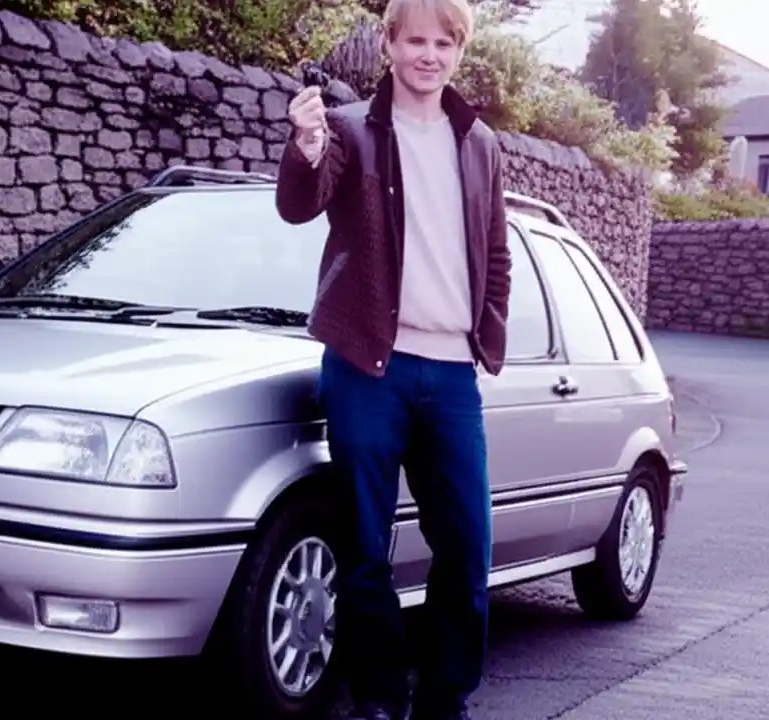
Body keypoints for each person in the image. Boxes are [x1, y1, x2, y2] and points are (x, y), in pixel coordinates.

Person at [273, 1, 511, 719]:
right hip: (366, 369)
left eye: (444, 42)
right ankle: (377, 699)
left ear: (460, 51)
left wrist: (487, 332)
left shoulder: (481, 145)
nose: (428, 55)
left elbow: (495, 252)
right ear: (389, 44)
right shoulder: (349, 129)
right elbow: (298, 203)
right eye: (415, 40)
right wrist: (304, 146)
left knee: (467, 550)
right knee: (365, 554)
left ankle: (445, 700)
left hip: (450, 376)